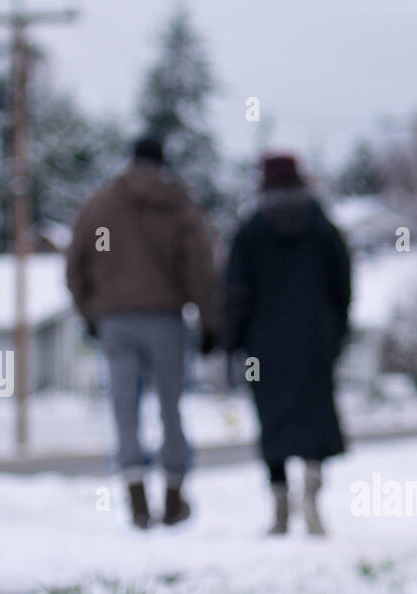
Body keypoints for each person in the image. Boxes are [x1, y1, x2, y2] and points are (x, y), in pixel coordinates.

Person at [66, 135, 219, 529]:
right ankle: (172, 495)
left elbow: (75, 264)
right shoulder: (178, 203)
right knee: (171, 407)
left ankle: (135, 495)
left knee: (124, 407)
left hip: (115, 320)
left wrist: (91, 314)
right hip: (167, 318)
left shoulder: (99, 202)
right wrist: (208, 320)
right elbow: (200, 267)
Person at [223, 153, 351, 536]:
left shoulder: (249, 231)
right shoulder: (323, 227)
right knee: (315, 417)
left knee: (273, 421)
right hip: (315, 339)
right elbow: (342, 286)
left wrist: (232, 341)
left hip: (264, 346)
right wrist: (336, 332)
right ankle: (311, 487)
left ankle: (280, 505)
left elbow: (235, 292)